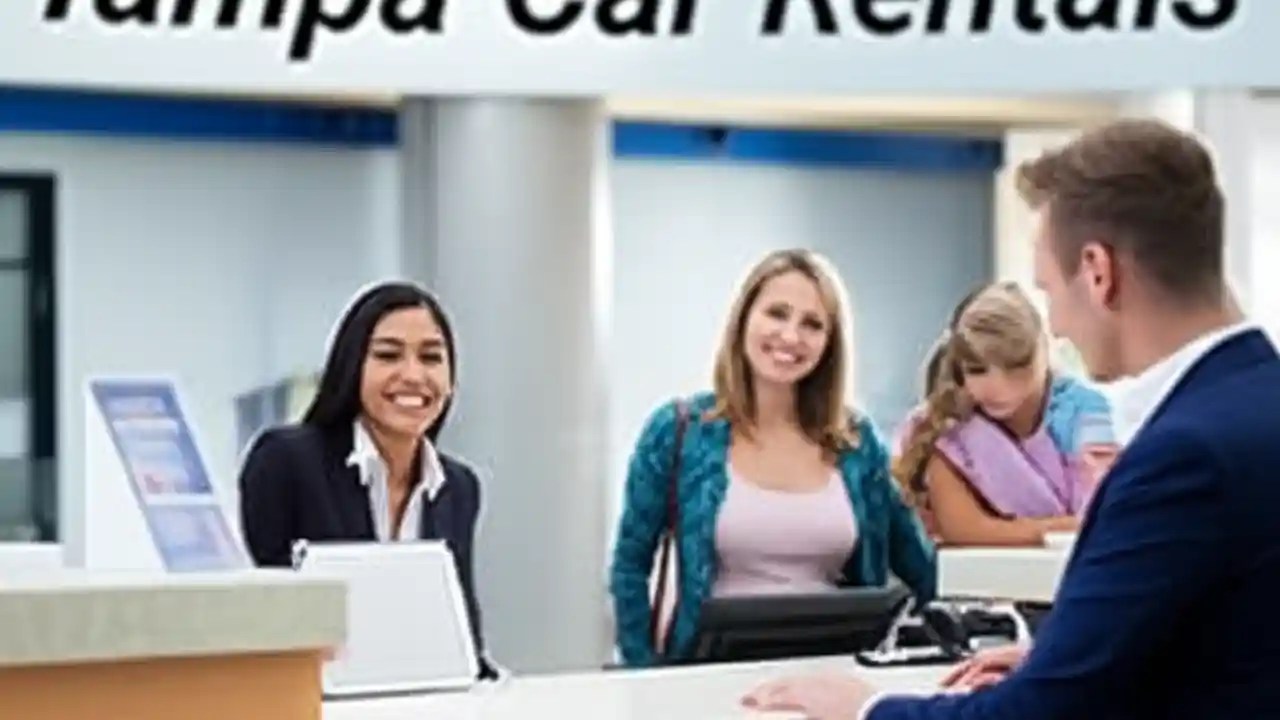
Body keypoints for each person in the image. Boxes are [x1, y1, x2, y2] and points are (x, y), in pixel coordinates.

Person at [743, 119, 1280, 718]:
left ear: (1099, 273)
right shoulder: (1257, 405)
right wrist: (1063, 653)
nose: (1057, 327)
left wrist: (864, 710)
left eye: (1050, 292)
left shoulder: (1184, 456)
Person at [609, 249, 936, 667]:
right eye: (776, 313)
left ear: (830, 343)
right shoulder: (678, 431)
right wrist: (642, 672)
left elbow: (918, 564)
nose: (790, 336)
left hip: (832, 675)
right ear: (744, 318)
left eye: (812, 324)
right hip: (708, 678)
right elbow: (629, 567)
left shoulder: (857, 444)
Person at [238, 280, 496, 678]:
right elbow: (269, 629)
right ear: (351, 365)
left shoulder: (458, 487)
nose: (413, 375)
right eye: (388, 355)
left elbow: (462, 639)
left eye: (431, 358)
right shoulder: (285, 462)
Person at [892, 281, 1114, 547]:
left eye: (1015, 366)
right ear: (959, 367)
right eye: (977, 370)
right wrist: (1063, 527)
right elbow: (965, 529)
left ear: (1043, 350)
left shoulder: (1085, 413)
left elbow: (1105, 515)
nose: (997, 387)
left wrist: (1014, 530)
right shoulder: (949, 423)